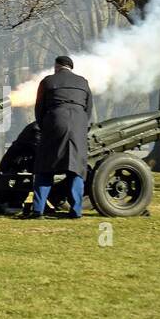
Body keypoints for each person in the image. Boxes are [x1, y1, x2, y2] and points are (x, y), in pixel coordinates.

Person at [30, 55, 92, 219]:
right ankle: (76, 211)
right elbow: (88, 109)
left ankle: (38, 210)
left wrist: (45, 126)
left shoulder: (48, 81)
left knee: (44, 168)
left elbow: (39, 109)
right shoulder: (83, 82)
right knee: (76, 169)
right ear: (71, 67)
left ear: (57, 66)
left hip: (55, 122)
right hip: (78, 124)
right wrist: (81, 126)